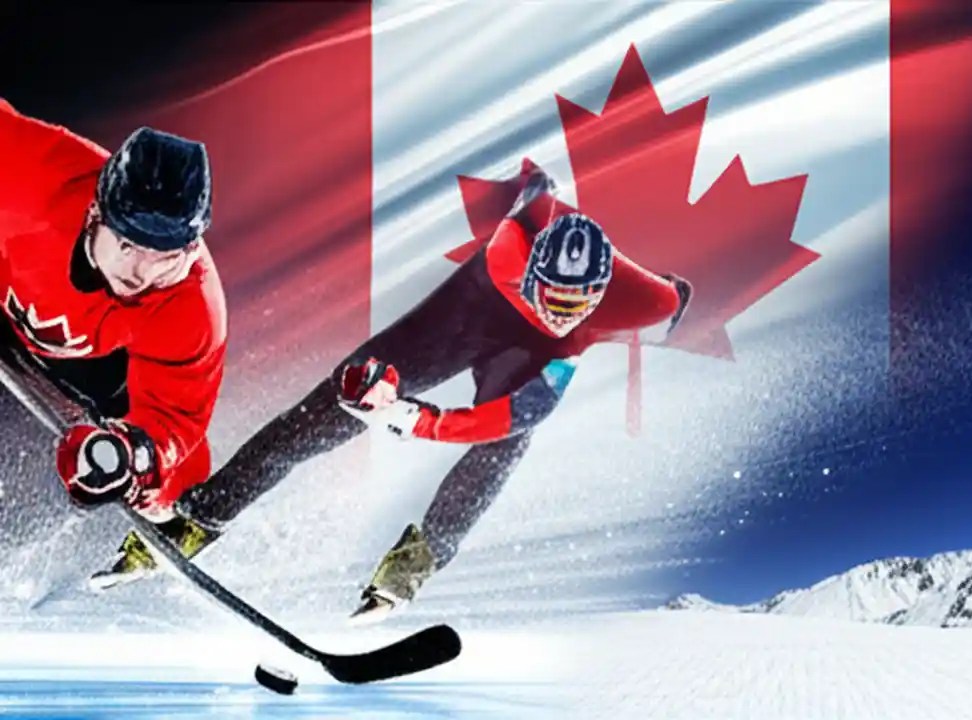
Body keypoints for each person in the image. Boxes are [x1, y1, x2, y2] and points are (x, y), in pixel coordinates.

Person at [93, 159, 692, 625]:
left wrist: (416, 419)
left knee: (506, 443)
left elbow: (499, 419)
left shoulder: (638, 304)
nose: (560, 314)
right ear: (533, 269)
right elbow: (535, 196)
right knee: (332, 407)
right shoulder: (512, 245)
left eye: (575, 305)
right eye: (552, 298)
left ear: (600, 295)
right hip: (471, 311)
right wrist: (535, 180)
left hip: (528, 360)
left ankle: (417, 561)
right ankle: (200, 515)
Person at [0, 100, 227, 545]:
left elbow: (173, 416)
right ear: (94, 215)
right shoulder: (27, 170)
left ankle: (173, 521)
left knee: (166, 466)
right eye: (126, 243)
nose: (141, 272)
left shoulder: (193, 305)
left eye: (164, 257)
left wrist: (131, 456)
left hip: (95, 359)